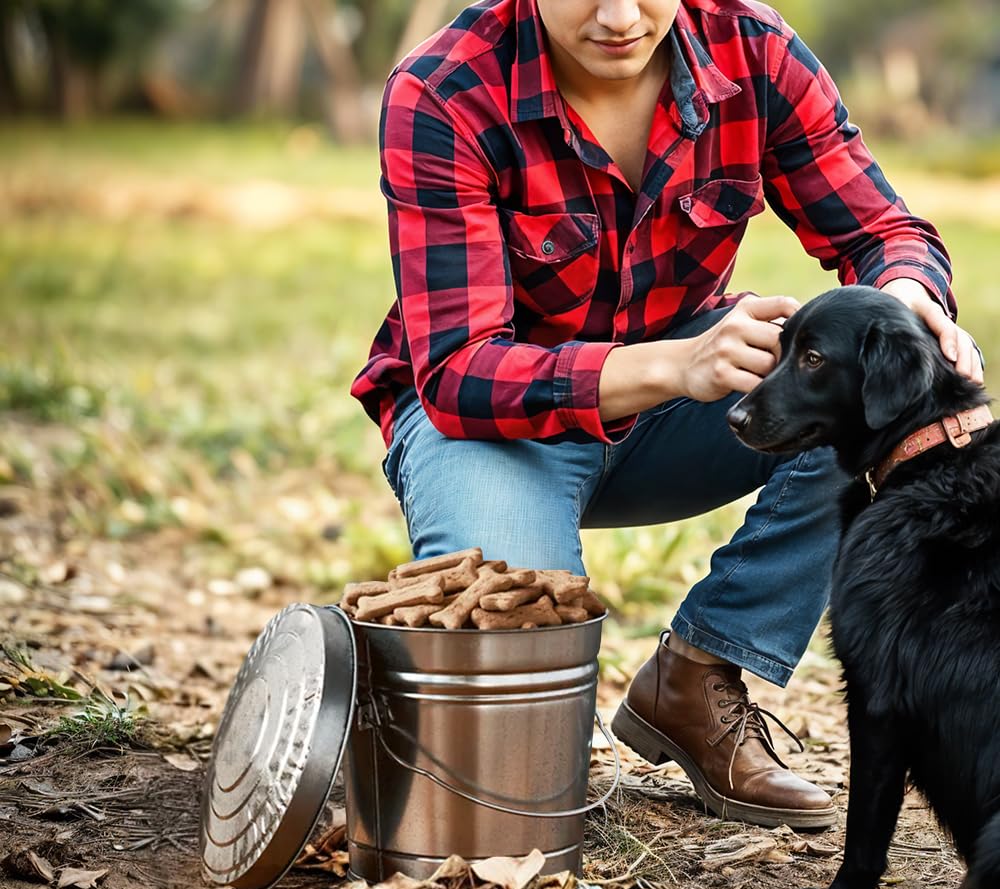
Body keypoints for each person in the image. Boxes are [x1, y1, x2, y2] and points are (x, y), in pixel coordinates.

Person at [351, 0, 984, 829]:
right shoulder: (445, 89)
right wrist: (675, 366)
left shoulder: (751, 49)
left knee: (897, 416)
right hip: (492, 427)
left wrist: (906, 304)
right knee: (511, 787)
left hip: (683, 410)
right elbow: (461, 372)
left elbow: (884, 230)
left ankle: (695, 676)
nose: (620, 16)